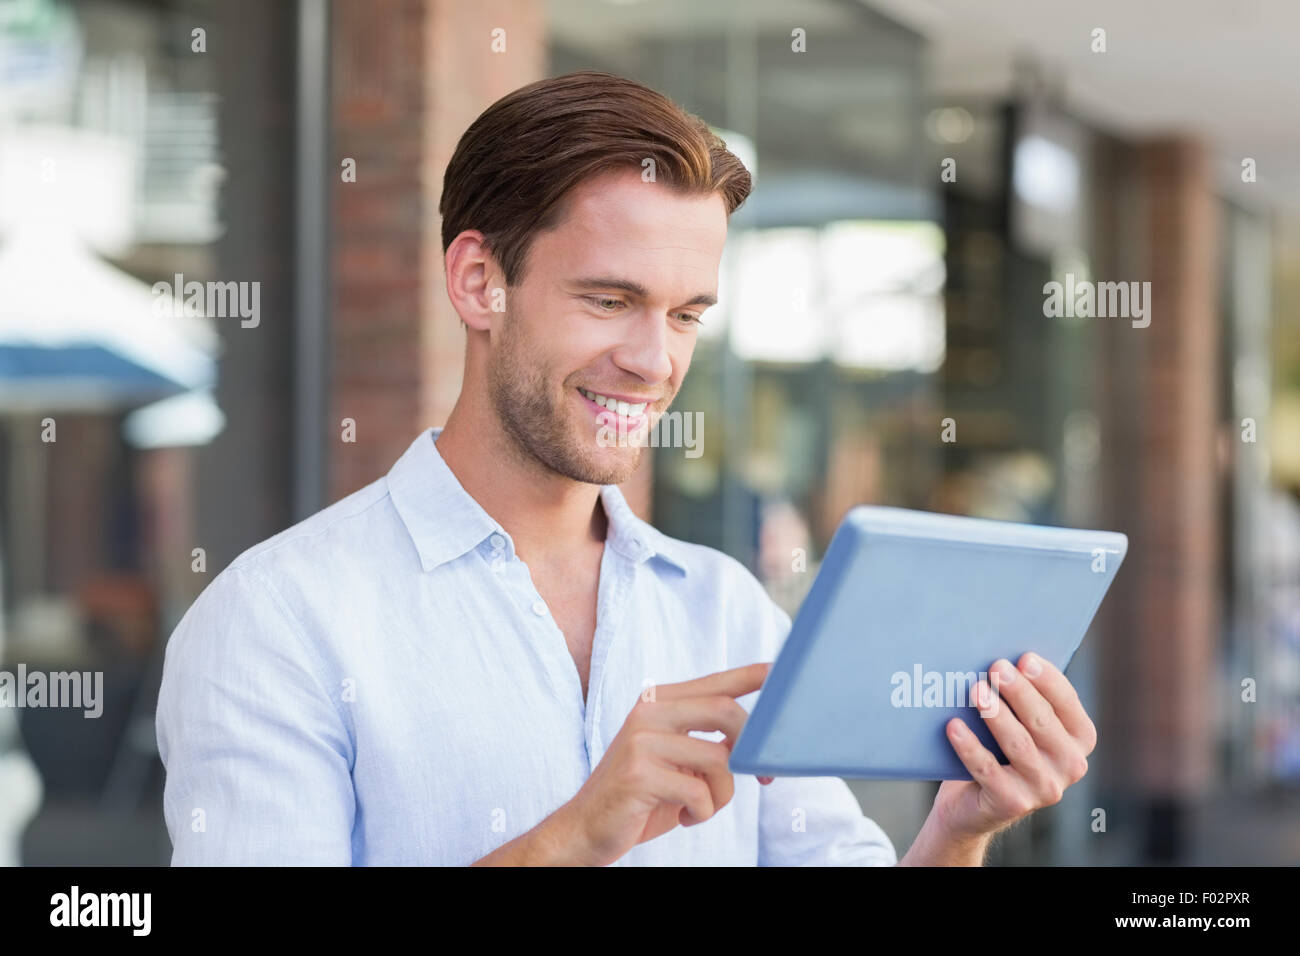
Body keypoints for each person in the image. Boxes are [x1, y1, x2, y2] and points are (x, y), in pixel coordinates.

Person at [156, 71, 1095, 866]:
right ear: (480, 281)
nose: (655, 360)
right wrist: (571, 839)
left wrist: (961, 832)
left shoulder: (728, 613)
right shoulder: (275, 623)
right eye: (611, 300)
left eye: (687, 314)